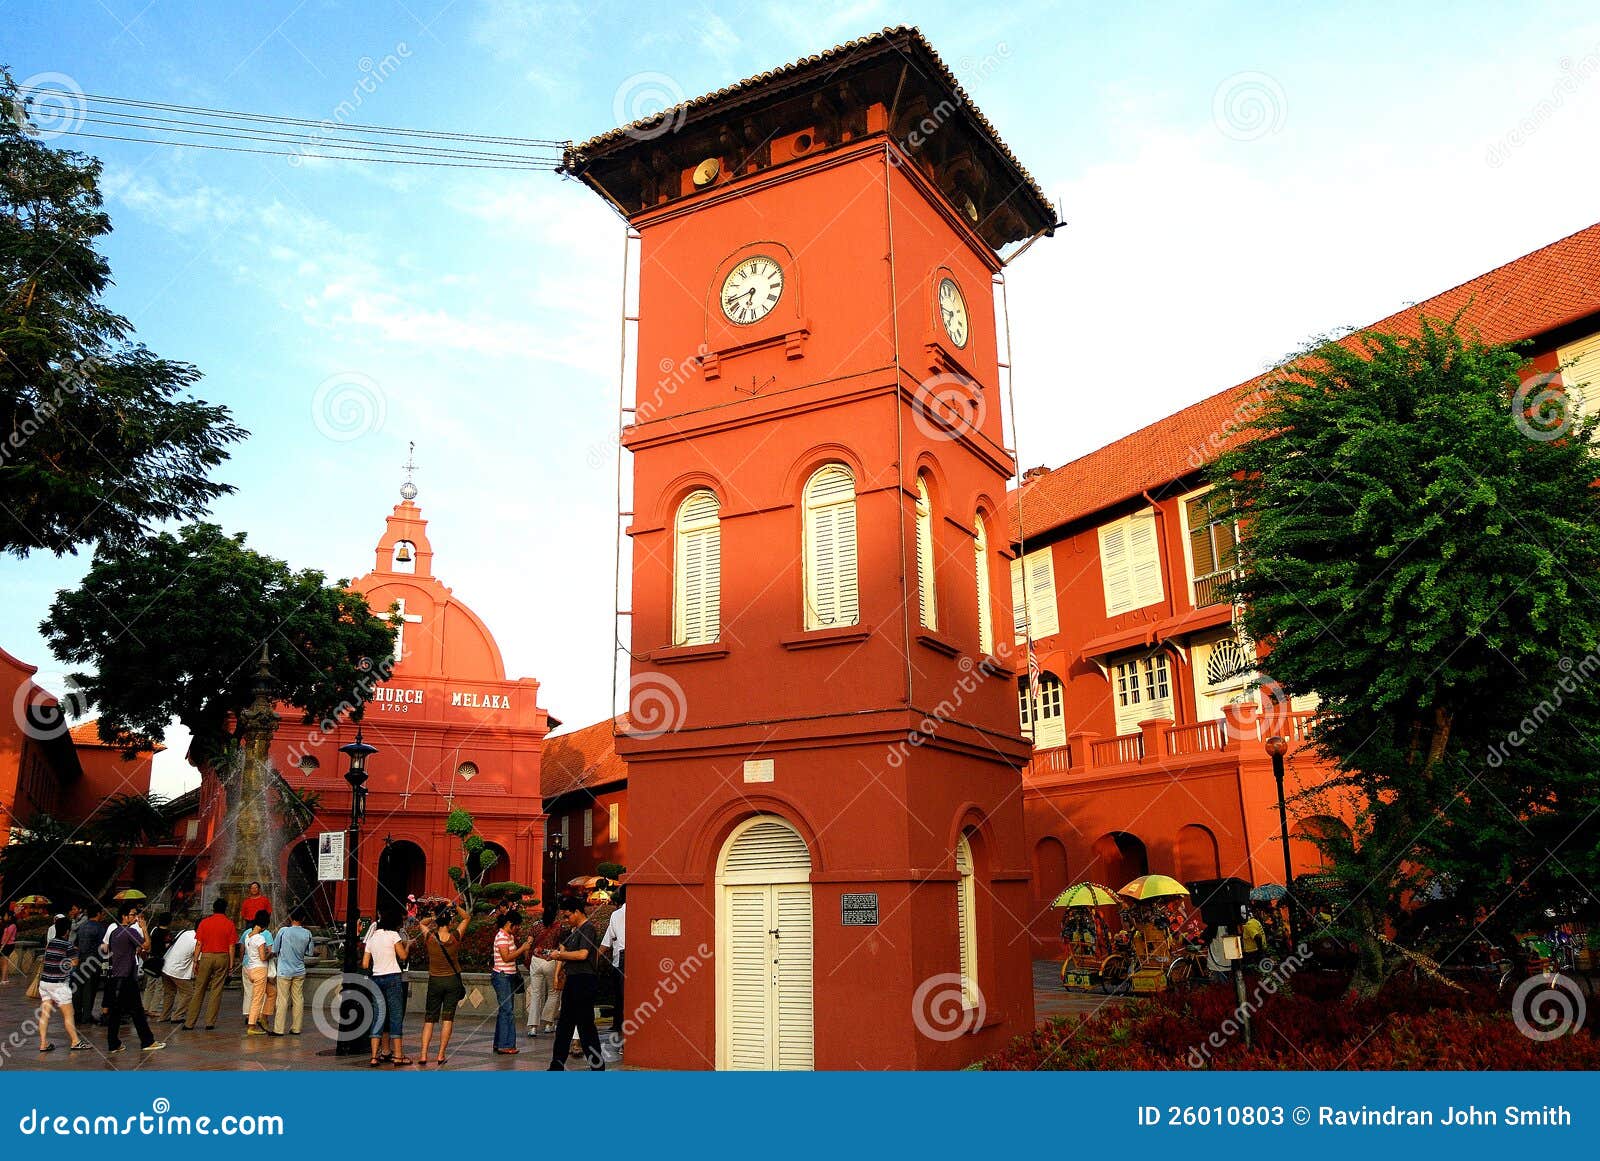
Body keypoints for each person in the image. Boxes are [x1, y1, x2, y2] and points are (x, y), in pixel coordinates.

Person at [547, 896, 604, 1071]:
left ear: (577, 912)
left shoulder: (588, 929)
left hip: (584, 981)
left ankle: (597, 1065)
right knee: (564, 1025)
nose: (566, 920)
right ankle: (557, 1064)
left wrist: (560, 956)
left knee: (586, 1026)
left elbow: (582, 955)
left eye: (567, 916)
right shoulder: (575, 931)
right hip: (573, 980)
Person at [104, 904, 164, 1054]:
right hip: (127, 978)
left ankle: (113, 1044)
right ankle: (147, 1041)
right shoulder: (129, 931)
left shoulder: (114, 932)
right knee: (137, 1011)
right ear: (124, 917)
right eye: (132, 915)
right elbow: (147, 946)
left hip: (116, 976)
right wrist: (144, 928)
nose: (135, 918)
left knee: (116, 1012)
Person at [417, 902, 470, 1065]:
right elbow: (467, 917)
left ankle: (423, 1055)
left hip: (435, 981)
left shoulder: (429, 937)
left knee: (429, 1019)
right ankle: (440, 1055)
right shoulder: (455, 937)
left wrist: (434, 917)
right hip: (452, 981)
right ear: (450, 921)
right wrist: (454, 905)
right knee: (448, 1019)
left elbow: (420, 923)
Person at [362, 908, 411, 1066]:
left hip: (376, 979)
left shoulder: (372, 938)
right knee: (396, 1016)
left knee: (378, 1016)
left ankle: (374, 1056)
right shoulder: (393, 935)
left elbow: (364, 963)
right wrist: (408, 946)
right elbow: (403, 956)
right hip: (393, 977)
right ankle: (398, 1056)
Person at [37, 918, 90, 1052]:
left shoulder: (50, 943)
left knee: (45, 1014)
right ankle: (75, 1041)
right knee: (68, 1014)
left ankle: (43, 1043)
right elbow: (75, 962)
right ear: (67, 931)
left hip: (44, 983)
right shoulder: (68, 945)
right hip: (59, 985)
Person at [185, 898, 238, 1030]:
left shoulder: (204, 922)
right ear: (225, 909)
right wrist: (231, 966)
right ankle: (210, 1022)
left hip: (207, 956)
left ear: (213, 908)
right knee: (217, 990)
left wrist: (195, 960)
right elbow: (232, 946)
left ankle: (189, 1023)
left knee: (199, 989)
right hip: (223, 957)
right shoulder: (229, 924)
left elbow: (199, 943)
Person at [490, 911, 531, 1055]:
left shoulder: (510, 936)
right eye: (517, 926)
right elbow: (506, 957)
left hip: (509, 976)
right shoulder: (501, 937)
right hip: (502, 976)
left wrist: (525, 949)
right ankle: (505, 1044)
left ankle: (499, 1043)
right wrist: (522, 949)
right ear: (510, 924)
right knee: (507, 1011)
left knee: (505, 1010)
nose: (518, 929)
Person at [271, 910, 314, 1035]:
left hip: (284, 970)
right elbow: (310, 952)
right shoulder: (308, 933)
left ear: (290, 917)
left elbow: (275, 949)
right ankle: (296, 1028)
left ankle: (278, 1029)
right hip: (300, 970)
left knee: (283, 999)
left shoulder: (283, 931)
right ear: (304, 918)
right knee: (298, 999)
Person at [525, 906, 564, 1036]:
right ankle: (548, 1023)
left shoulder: (535, 925)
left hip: (536, 961)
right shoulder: (559, 927)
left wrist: (527, 958)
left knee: (536, 994)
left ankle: (533, 1027)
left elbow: (529, 943)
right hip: (550, 960)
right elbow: (561, 946)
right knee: (553, 992)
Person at [71, 907, 109, 1024]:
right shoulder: (100, 928)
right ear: (98, 914)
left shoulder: (82, 927)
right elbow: (104, 946)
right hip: (93, 961)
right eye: (101, 913)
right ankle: (86, 1015)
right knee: (90, 989)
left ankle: (77, 1014)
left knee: (78, 989)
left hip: (81, 960)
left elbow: (75, 945)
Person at [242, 911, 277, 1035]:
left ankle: (264, 1017)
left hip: (251, 969)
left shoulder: (248, 936)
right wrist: (271, 953)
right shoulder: (260, 937)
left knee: (272, 992)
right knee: (257, 998)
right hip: (260, 970)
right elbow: (263, 957)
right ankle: (251, 1026)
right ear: (264, 925)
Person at [600, 887, 626, 1052]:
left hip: (619, 960)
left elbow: (606, 942)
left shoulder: (615, 915)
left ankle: (622, 1037)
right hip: (634, 957)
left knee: (621, 1000)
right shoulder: (641, 911)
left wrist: (592, 960)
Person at [156, 917, 197, 1023]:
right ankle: (178, 1015)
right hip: (177, 970)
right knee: (189, 993)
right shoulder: (197, 941)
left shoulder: (186, 933)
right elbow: (197, 959)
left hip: (166, 965)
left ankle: (164, 1016)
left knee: (169, 992)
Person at [141, 911, 170, 1012]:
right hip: (161, 962)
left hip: (152, 959)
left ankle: (145, 1007)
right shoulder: (166, 934)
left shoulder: (154, 930)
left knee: (149, 986)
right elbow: (167, 947)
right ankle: (153, 1009)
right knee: (159, 987)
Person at [0, 907, 17, 984]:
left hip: (8, 945)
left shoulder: (13, 925)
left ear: (10, 917)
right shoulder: (7, 925)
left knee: (5, 962)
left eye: (6, 915)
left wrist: (3, 946)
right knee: (3, 962)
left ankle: (4, 979)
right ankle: (5, 978)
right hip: (4, 944)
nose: (4, 917)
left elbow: (8, 937)